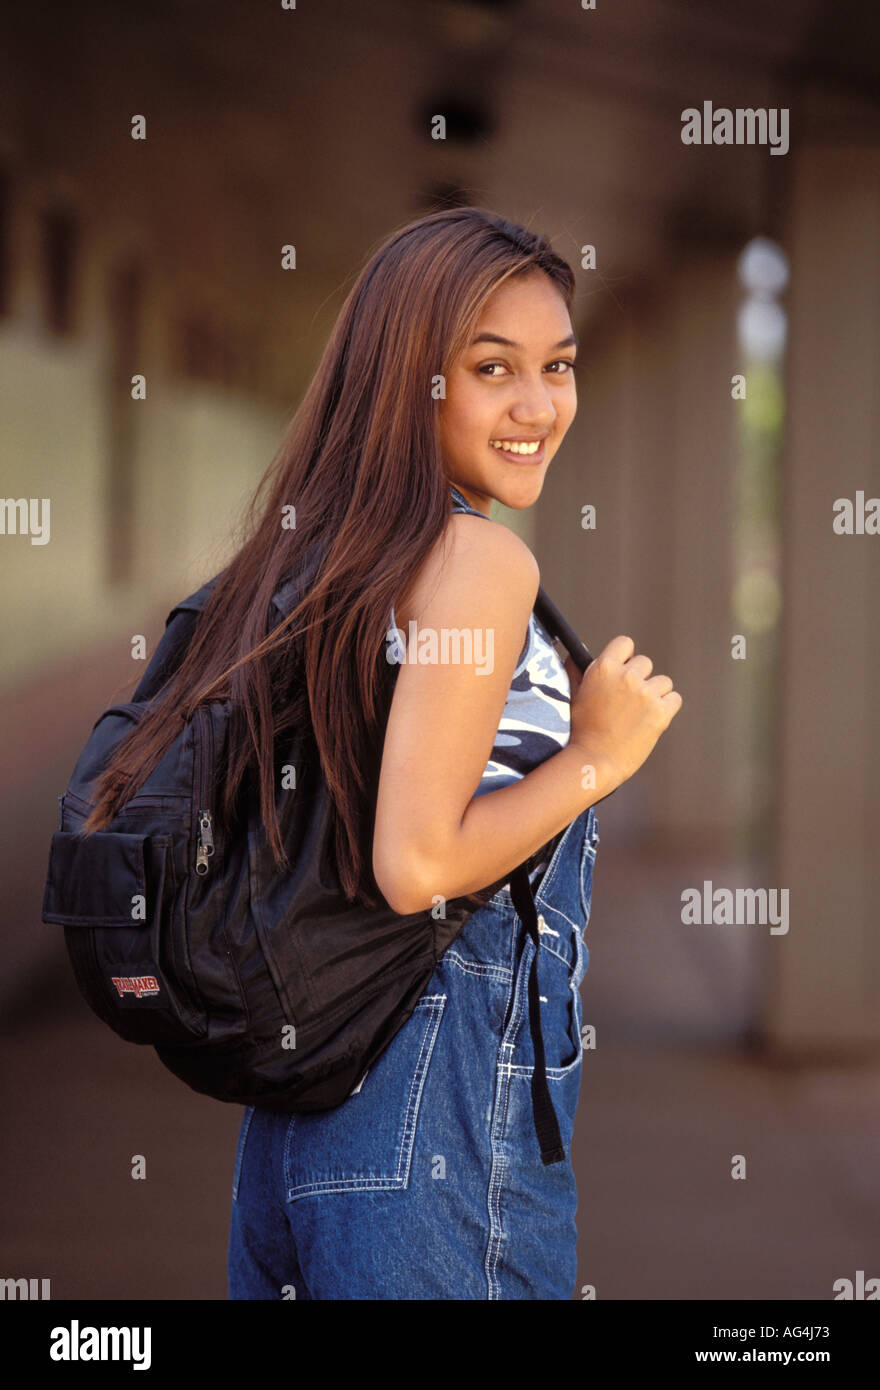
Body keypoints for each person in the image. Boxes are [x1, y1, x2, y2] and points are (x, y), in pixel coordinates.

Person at [220, 208, 683, 1299]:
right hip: (428, 1121)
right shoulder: (476, 561)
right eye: (491, 369)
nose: (538, 406)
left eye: (557, 367)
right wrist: (595, 757)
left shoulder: (323, 554)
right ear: (408, 380)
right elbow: (418, 864)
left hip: (298, 1127)